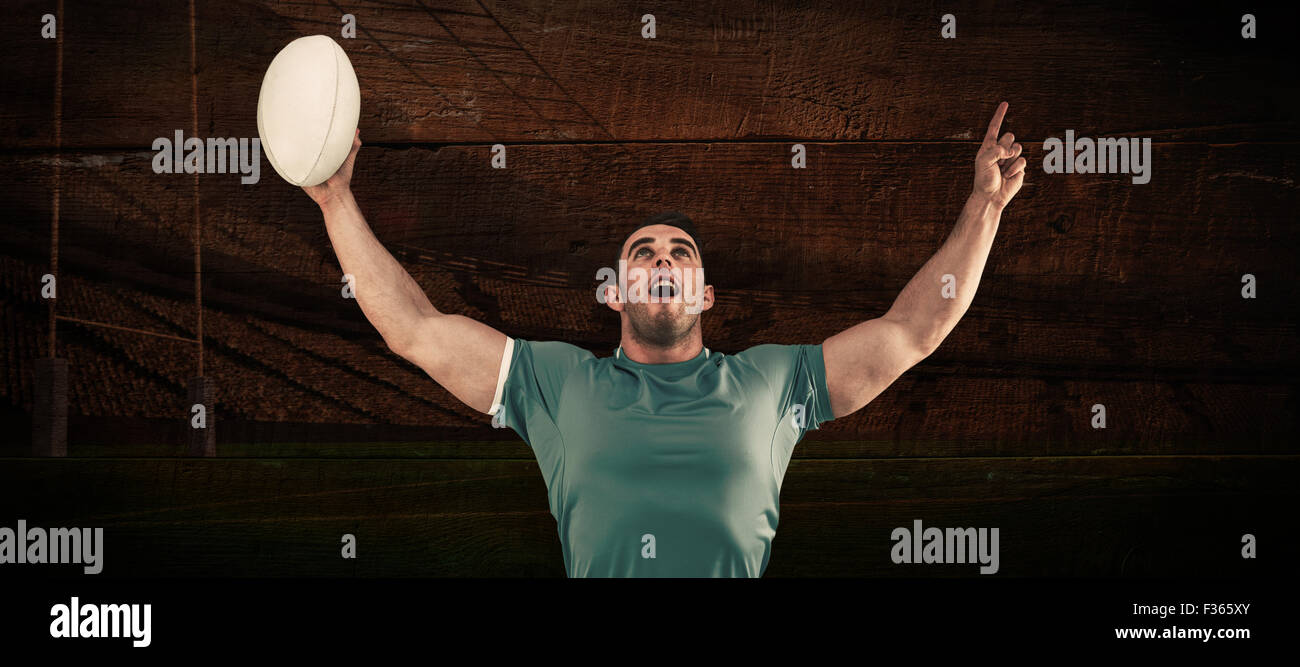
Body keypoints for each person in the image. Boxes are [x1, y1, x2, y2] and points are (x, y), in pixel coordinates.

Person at [305, 102, 1026, 577]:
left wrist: (984, 206)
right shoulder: (554, 383)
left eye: (680, 253)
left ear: (705, 295)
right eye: (642, 252)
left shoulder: (776, 385)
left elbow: (911, 331)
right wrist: (336, 200)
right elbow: (418, 331)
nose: (661, 259)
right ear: (614, 292)